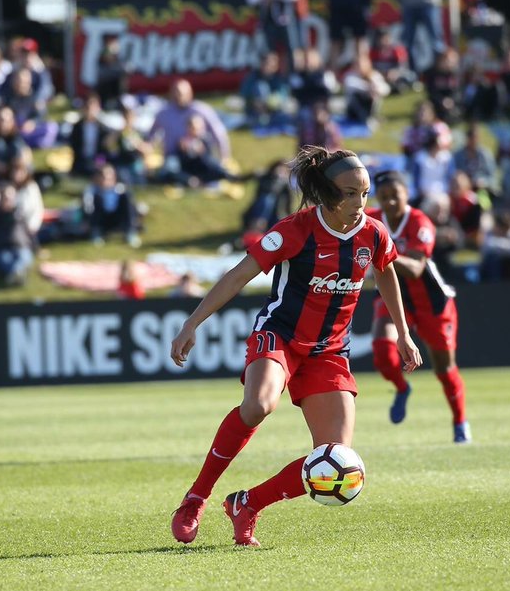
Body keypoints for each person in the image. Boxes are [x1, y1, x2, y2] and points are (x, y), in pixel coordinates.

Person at [168, 146, 421, 548]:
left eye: (364, 193)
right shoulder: (293, 230)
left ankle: (248, 504)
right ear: (326, 193)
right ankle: (195, 498)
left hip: (329, 351)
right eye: (350, 193)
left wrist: (403, 333)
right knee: (258, 405)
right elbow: (238, 276)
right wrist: (192, 322)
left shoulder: (373, 233)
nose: (360, 203)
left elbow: (386, 272)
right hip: (280, 336)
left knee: (336, 458)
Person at [367, 170, 469, 440]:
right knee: (382, 350)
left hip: (431, 301)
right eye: (384, 196)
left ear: (407, 193)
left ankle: (460, 422)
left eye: (395, 195)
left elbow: (414, 269)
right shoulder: (371, 219)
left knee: (444, 369)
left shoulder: (419, 222)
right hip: (393, 296)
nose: (389, 201)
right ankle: (402, 388)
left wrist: (381, 250)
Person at [150, 79, 231, 166]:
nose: (178, 96)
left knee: (212, 167)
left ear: (190, 93)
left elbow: (218, 133)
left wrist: (224, 157)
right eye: (175, 93)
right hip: (174, 156)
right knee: (170, 167)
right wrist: (148, 147)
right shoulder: (163, 113)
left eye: (180, 93)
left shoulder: (201, 110)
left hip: (199, 155)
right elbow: (152, 135)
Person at [247, 0, 305, 71]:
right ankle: (271, 75)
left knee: (293, 49)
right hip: (268, 21)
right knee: (269, 52)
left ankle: (294, 73)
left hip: (287, 21)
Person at [319, 0, 374, 70]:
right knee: (335, 39)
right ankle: (333, 73)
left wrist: (367, 5)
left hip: (358, 7)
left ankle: (362, 71)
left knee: (360, 39)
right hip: (337, 6)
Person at [395, 0, 448, 74]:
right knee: (408, 41)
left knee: (436, 41)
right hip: (409, 3)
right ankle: (412, 73)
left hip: (429, 2)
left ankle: (438, 73)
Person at [0, 182, 34, 286]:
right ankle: (18, 274)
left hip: (21, 246)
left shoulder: (19, 213)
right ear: (1, 198)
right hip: (1, 248)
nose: (8, 200)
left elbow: (28, 232)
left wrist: (36, 247)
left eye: (11, 197)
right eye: (5, 198)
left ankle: (14, 274)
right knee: (4, 261)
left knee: (24, 258)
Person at [84, 163, 139, 247]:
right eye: (105, 176)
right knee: (97, 200)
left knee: (126, 197)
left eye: (111, 176)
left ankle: (129, 233)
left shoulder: (120, 189)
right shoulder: (92, 190)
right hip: (100, 220)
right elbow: (88, 209)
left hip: (116, 219)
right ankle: (96, 233)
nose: (108, 179)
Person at [239, 53, 292, 128]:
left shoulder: (278, 79)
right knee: (260, 87)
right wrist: (254, 101)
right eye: (267, 64)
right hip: (255, 111)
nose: (270, 67)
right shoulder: (252, 77)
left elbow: (283, 95)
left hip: (274, 111)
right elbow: (244, 94)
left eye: (273, 65)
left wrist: (274, 102)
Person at [70, 93, 107, 176]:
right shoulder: (77, 127)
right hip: (81, 163)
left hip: (98, 162)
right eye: (87, 106)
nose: (90, 110)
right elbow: (75, 148)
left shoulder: (102, 128)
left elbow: (103, 150)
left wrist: (99, 163)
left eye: (93, 107)